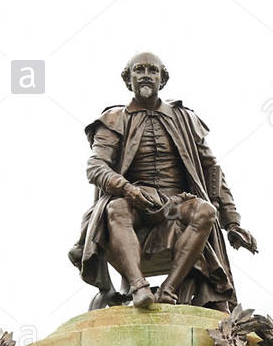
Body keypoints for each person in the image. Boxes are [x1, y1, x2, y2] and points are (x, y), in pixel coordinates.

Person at [70, 52, 257, 311]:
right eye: (139, 70)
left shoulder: (185, 118)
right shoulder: (114, 118)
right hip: (134, 200)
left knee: (205, 211)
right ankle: (138, 287)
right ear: (128, 80)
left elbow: (211, 168)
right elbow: (95, 166)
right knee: (115, 208)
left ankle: (169, 289)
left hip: (174, 203)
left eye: (152, 70)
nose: (146, 75)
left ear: (162, 79)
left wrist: (233, 222)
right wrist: (126, 188)